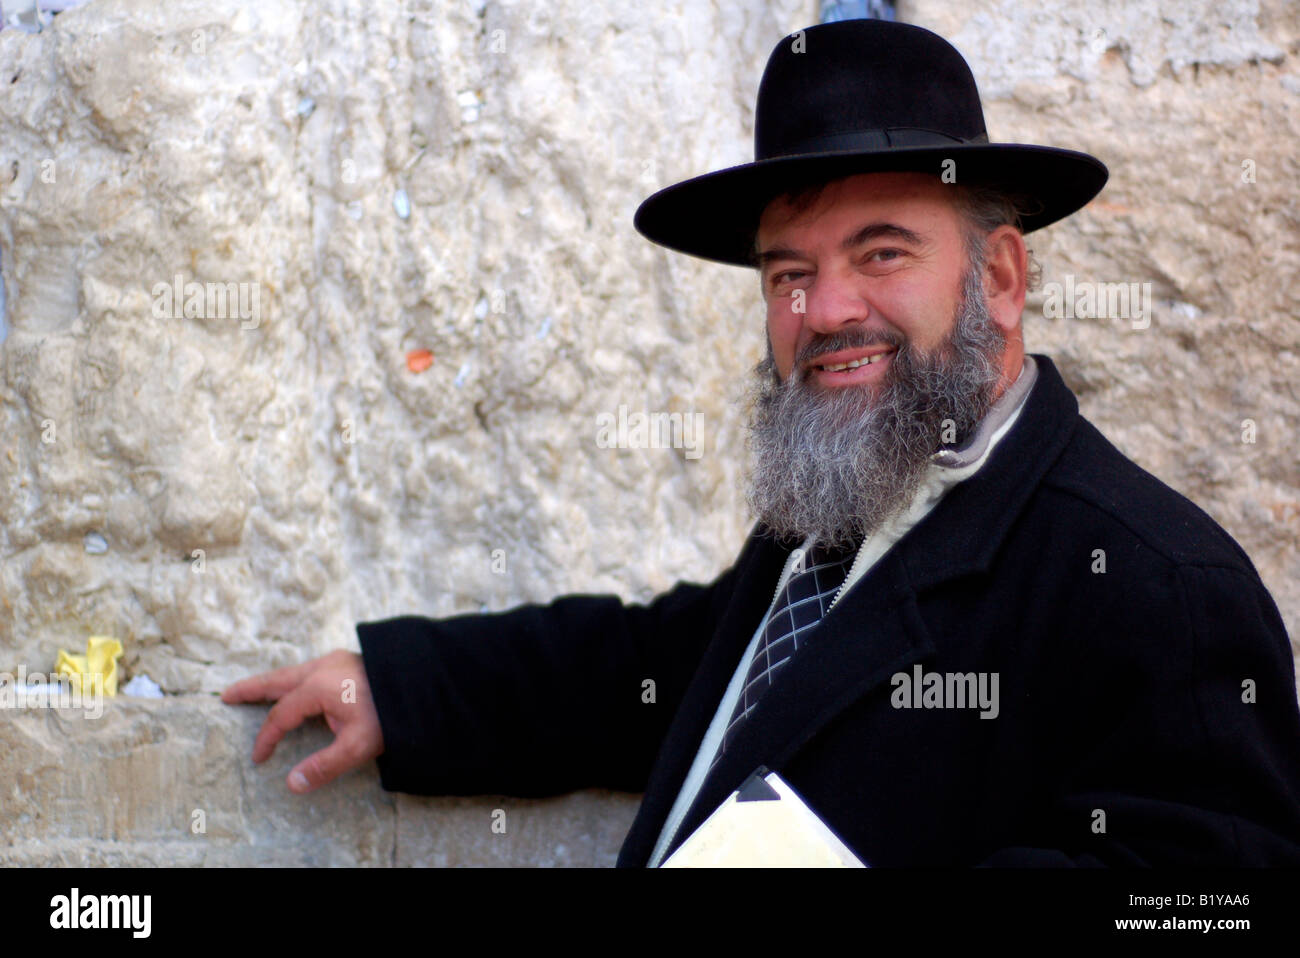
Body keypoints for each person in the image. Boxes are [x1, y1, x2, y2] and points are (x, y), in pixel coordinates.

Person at [222, 19, 1300, 866]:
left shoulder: (1158, 585)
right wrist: (403, 690)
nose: (825, 309)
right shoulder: (840, 520)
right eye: (789, 273)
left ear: (1001, 279)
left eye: (881, 253)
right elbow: (663, 670)